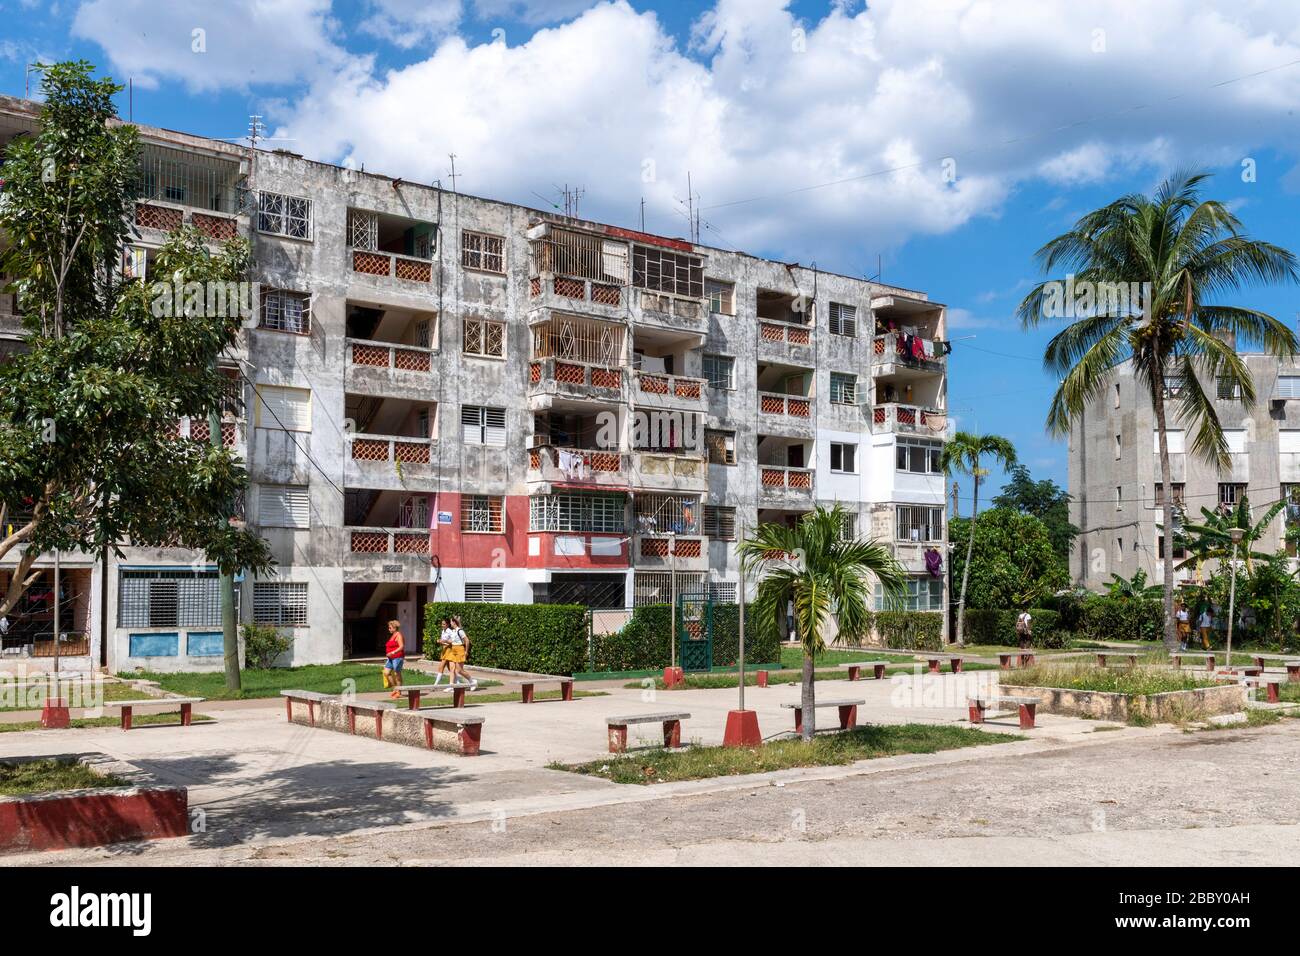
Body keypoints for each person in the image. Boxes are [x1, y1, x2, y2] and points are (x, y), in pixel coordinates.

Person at [448, 615, 477, 689]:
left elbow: (467, 641)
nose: (450, 623)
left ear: (454, 622)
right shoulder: (453, 631)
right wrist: (444, 641)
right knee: (452, 668)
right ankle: (451, 686)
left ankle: (472, 681)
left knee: (459, 670)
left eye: (451, 622)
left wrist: (466, 651)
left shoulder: (460, 631)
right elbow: (452, 641)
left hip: (459, 650)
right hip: (453, 650)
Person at [383, 619, 405, 700]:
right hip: (391, 658)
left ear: (394, 628)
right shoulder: (393, 635)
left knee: (397, 674)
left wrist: (392, 652)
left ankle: (399, 692)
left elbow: (401, 646)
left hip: (397, 657)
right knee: (386, 672)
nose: (389, 629)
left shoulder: (398, 635)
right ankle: (395, 689)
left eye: (390, 628)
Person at [432, 617, 455, 686]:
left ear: (448, 625)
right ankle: (457, 683)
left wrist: (444, 641)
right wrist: (440, 641)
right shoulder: (443, 631)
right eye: (442, 624)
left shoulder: (450, 631)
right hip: (445, 649)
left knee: (441, 667)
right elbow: (443, 641)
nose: (442, 625)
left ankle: (435, 685)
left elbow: (453, 641)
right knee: (450, 668)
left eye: (444, 624)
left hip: (449, 650)